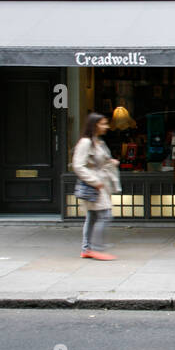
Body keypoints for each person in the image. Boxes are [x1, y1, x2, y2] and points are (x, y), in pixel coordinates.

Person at [72, 112, 119, 261]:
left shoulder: (98, 142)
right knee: (105, 215)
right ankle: (97, 249)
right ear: (94, 125)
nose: (106, 126)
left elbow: (98, 161)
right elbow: (78, 166)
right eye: (103, 123)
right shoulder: (86, 142)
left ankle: (87, 249)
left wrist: (110, 162)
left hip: (100, 184)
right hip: (94, 186)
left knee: (92, 216)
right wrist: (94, 181)